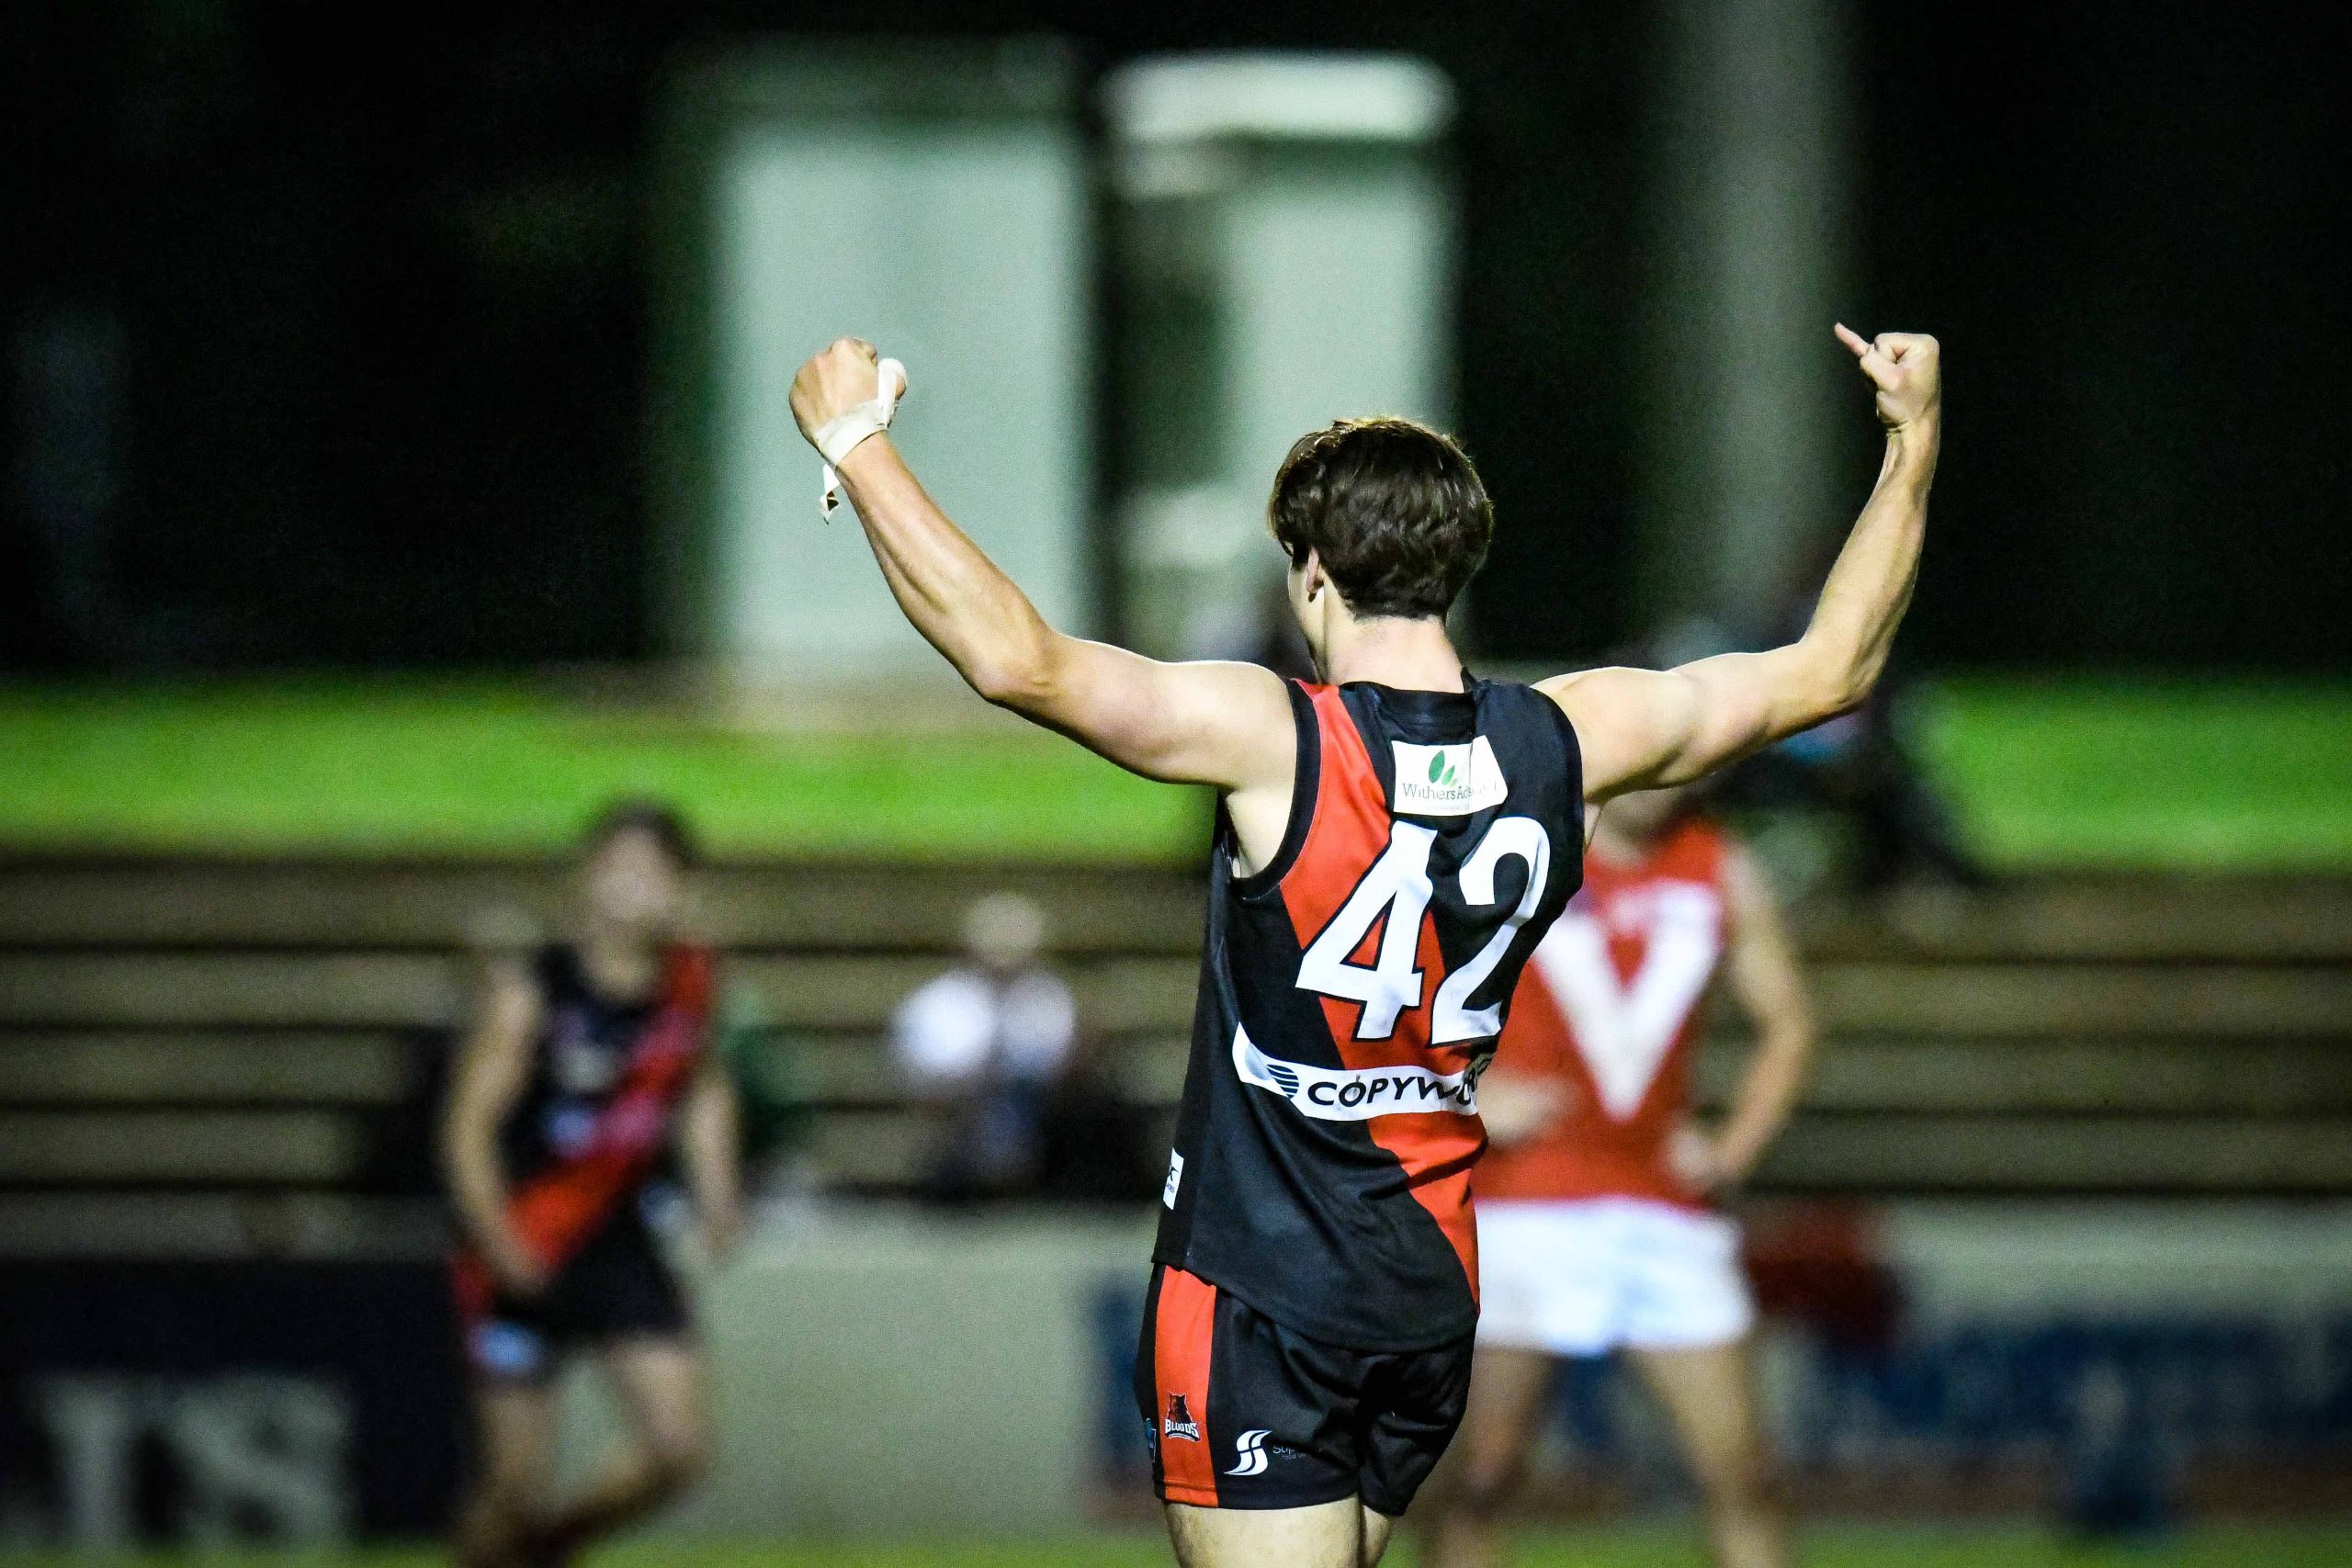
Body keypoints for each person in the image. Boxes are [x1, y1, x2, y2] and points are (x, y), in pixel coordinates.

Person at [787, 321, 1939, 1568]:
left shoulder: (1272, 737)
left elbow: (1012, 656)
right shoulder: (1578, 736)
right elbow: (1832, 667)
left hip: (1263, 1282)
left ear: (1312, 577)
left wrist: (861, 443)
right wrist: (1911, 439)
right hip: (1426, 1280)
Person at [1420, 784, 1815, 1568]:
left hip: (1662, 1204)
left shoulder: (1717, 866)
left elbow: (1789, 1021)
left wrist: (1732, 1148)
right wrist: (1460, 1093)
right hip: (1525, 1201)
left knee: (1746, 1471)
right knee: (1479, 1476)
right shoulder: (1517, 852)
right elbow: (1395, 989)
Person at [441, 802, 741, 1568]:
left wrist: (716, 1188)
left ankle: (554, 1547)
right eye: (622, 867)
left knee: (677, 1449)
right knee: (512, 1485)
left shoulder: (691, 983)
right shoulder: (535, 989)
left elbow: (702, 1084)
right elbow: (468, 1129)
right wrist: (497, 1241)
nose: (637, 887)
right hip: (527, 1236)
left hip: (617, 1238)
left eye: (656, 870)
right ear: (589, 878)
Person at [891, 891, 1079, 1201]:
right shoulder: (939, 1003)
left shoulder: (1049, 997)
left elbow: (1061, 1069)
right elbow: (924, 1077)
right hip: (958, 1127)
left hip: (1040, 1128)